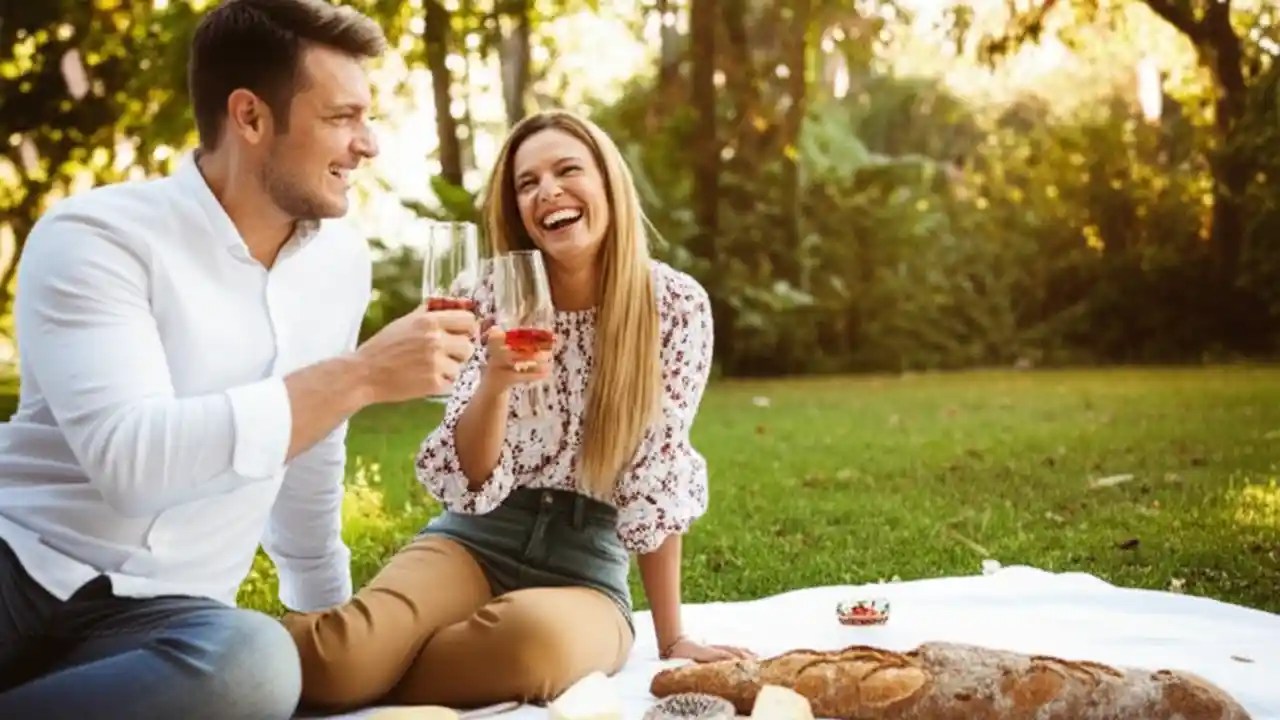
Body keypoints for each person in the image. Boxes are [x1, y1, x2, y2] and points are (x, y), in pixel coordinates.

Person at [0, 1, 477, 718]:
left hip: (167, 614)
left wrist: (330, 631)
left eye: (367, 118)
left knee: (255, 668)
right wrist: (361, 375)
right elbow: (132, 464)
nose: (368, 144)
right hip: (20, 563)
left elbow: (312, 455)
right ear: (250, 117)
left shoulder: (341, 263)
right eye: (342, 117)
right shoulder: (98, 237)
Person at [283, 109, 755, 713]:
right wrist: (495, 385)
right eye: (527, 183)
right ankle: (242, 662)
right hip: (475, 539)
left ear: (608, 182)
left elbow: (656, 478)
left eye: (567, 170)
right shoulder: (487, 294)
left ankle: (371, 674)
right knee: (341, 654)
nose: (547, 191)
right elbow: (472, 477)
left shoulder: (675, 306)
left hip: (587, 572)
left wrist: (673, 638)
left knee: (530, 642)